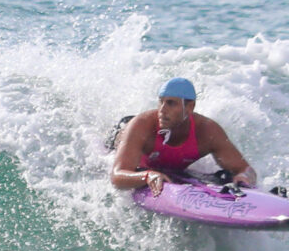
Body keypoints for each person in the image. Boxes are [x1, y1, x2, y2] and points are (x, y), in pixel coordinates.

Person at [109, 77, 257, 193]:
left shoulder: (207, 132)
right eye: (161, 102)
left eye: (171, 103)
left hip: (166, 164)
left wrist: (243, 177)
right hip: (122, 140)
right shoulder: (141, 126)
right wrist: (147, 176)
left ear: (190, 106)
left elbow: (246, 169)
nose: (162, 110)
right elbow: (117, 176)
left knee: (223, 177)